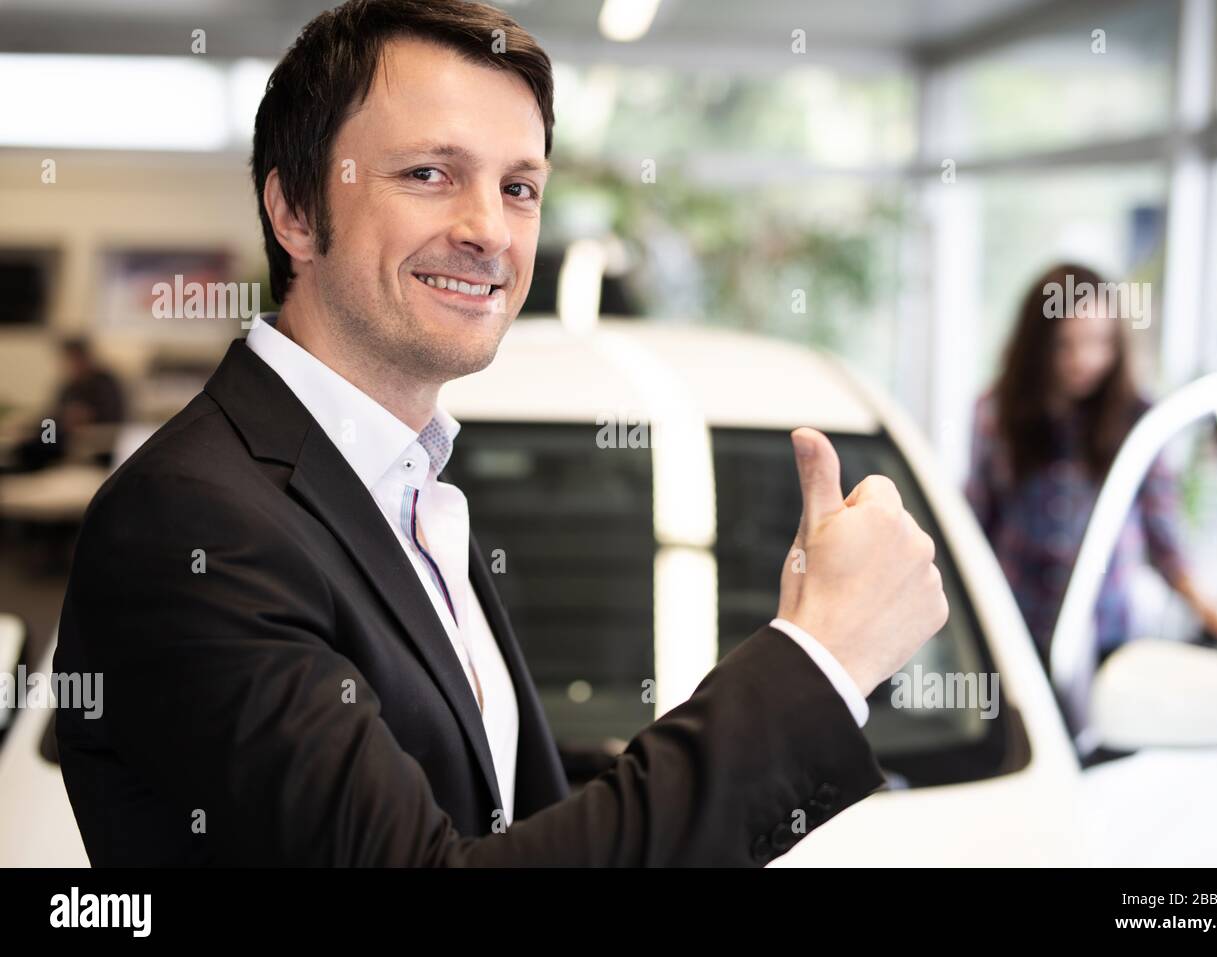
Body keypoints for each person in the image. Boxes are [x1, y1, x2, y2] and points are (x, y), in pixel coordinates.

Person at [53, 0, 948, 867]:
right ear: (293, 212)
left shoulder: (403, 486)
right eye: (429, 174)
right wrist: (819, 659)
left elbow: (507, 819)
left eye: (518, 187)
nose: (489, 230)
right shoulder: (192, 523)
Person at [966, 262, 1217, 666]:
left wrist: (1202, 601)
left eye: (1097, 342)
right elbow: (977, 519)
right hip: (1013, 630)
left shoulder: (1140, 419)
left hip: (1105, 633)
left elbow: (1163, 532)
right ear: (1037, 345)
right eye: (1063, 344)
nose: (1082, 359)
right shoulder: (996, 412)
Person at [3, 337, 125, 473]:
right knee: (38, 437)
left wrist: (84, 416)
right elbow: (53, 412)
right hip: (57, 431)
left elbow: (112, 414)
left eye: (72, 359)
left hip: (83, 435)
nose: (69, 365)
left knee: (42, 443)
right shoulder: (69, 385)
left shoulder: (104, 383)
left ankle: (26, 461)